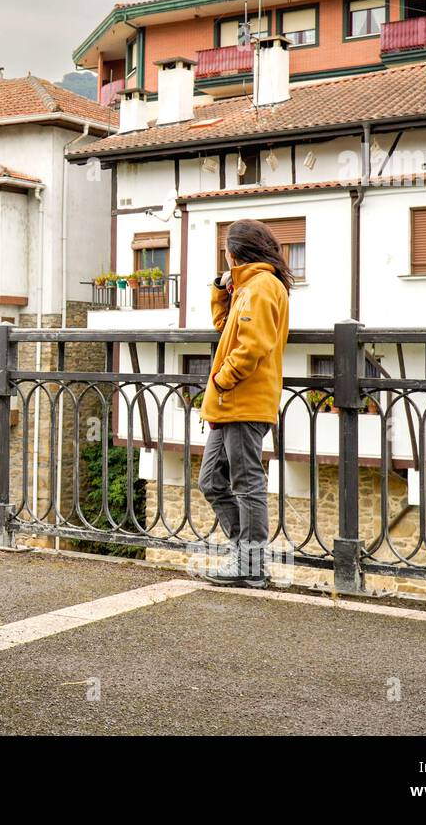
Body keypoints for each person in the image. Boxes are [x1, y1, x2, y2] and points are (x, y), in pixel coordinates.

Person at [195, 218, 292, 588]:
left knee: (247, 483)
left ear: (234, 252)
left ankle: (252, 565)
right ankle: (244, 554)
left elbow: (252, 346)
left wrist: (222, 380)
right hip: (231, 401)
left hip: (243, 400)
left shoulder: (262, 287)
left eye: (226, 251)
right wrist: (222, 290)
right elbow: (226, 329)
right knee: (211, 481)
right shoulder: (248, 287)